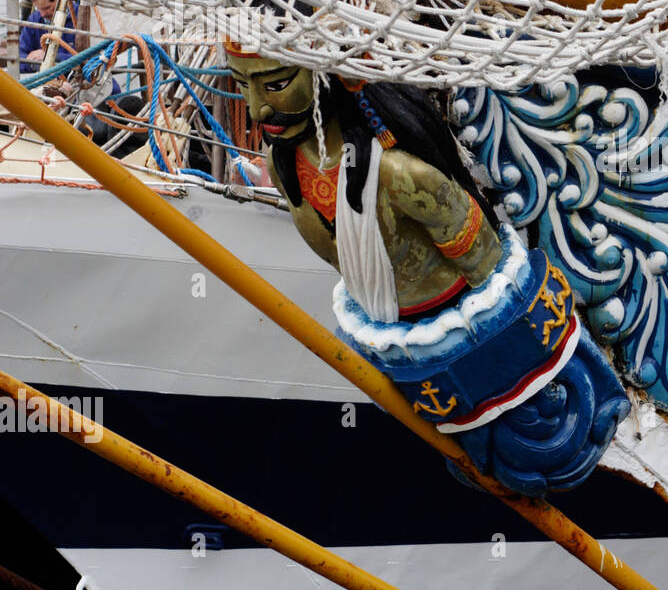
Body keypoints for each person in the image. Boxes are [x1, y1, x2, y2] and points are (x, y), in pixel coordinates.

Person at [223, 36, 630, 497]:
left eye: (275, 84)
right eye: (242, 86)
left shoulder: (402, 176)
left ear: (328, 72)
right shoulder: (288, 167)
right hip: (406, 343)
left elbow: (486, 267)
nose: (255, 110)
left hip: (465, 339)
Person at [18, 0, 79, 74]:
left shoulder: (80, 16)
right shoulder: (34, 20)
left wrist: (52, 57)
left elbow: (87, 57)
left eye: (47, 8)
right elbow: (19, 57)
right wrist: (34, 63)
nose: (42, 14)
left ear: (59, 0)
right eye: (39, 9)